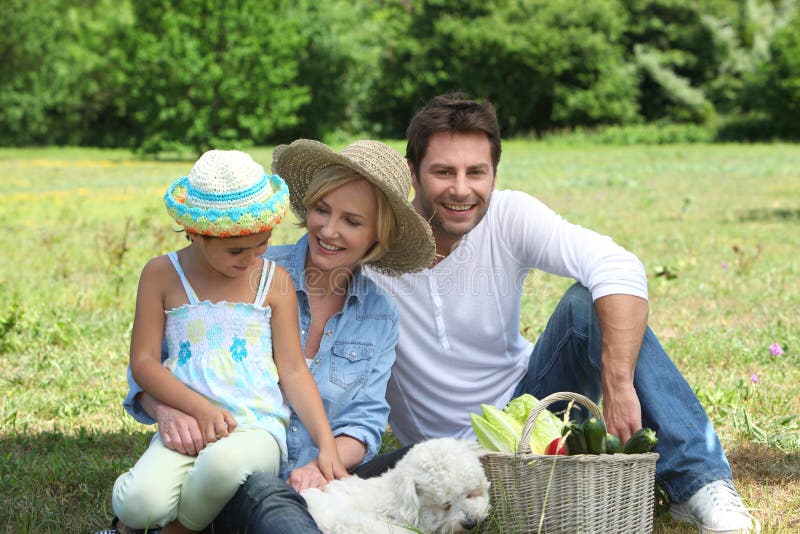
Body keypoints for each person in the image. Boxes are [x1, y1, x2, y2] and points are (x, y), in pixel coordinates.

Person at [363, 93, 761, 533]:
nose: (461, 189)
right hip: (444, 457)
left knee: (584, 304)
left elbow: (616, 264)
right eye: (443, 172)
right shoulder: (373, 245)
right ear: (413, 173)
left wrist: (618, 381)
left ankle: (700, 486)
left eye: (476, 172)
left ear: (494, 174)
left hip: (535, 403)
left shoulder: (508, 214)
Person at [117, 140, 435, 533]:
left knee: (426, 457)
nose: (329, 230)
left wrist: (324, 462)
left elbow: (365, 420)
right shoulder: (246, 266)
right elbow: (151, 365)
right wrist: (172, 410)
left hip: (303, 469)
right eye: (321, 210)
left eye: (352, 221)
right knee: (273, 507)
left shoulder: (378, 315)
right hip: (237, 474)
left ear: (378, 236)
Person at [110, 149, 348, 533]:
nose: (252, 258)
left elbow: (292, 369)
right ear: (196, 233)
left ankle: (181, 528)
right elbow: (144, 363)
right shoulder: (160, 275)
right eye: (237, 250)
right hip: (187, 426)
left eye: (263, 243)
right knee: (140, 505)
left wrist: (327, 443)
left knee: (222, 467)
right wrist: (197, 410)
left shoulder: (274, 283)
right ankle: (136, 521)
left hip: (255, 427)